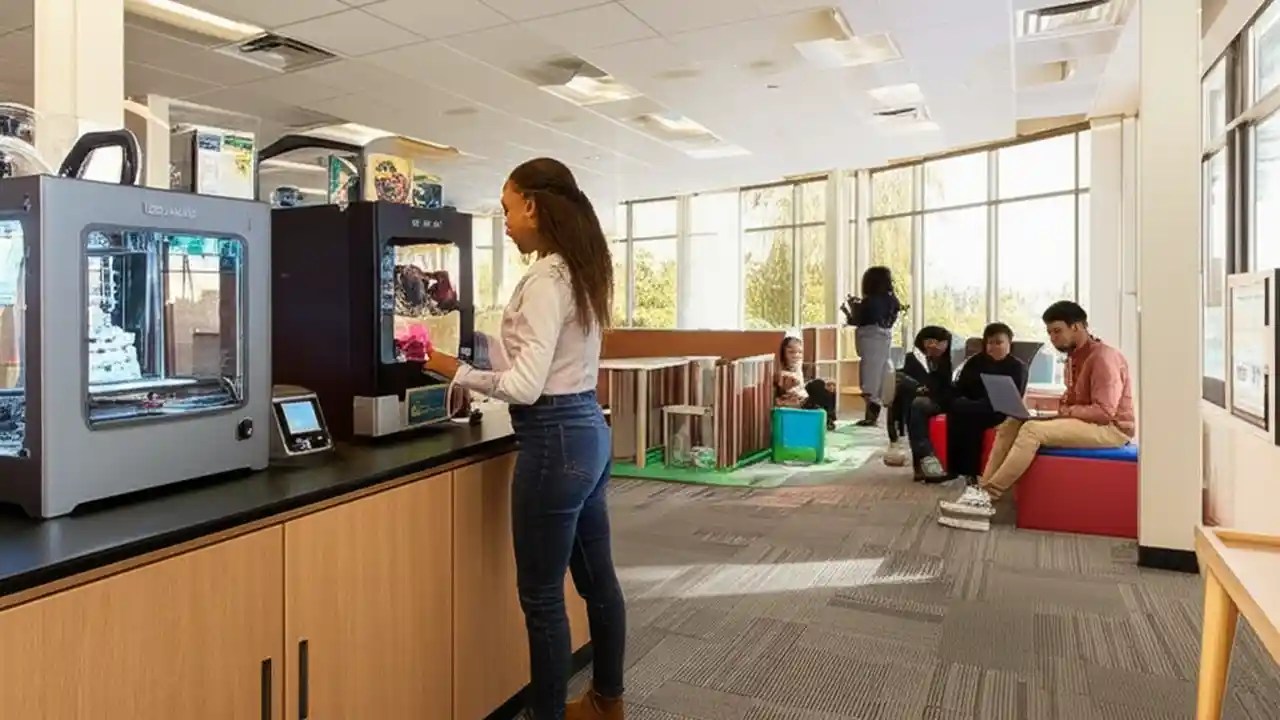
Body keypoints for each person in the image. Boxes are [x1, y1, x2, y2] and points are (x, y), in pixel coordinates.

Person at [423, 158, 626, 720]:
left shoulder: (542, 280)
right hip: (589, 432)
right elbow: (538, 358)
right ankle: (609, 702)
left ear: (534, 205)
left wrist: (451, 369)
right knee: (597, 583)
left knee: (541, 600)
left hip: (553, 444)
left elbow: (524, 385)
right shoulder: (577, 271)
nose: (505, 221)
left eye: (508, 208)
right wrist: (469, 339)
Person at [938, 301, 1134, 532]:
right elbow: (1073, 401)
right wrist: (1051, 411)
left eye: (1057, 331)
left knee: (1032, 431)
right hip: (1085, 422)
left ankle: (990, 494)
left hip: (1111, 430)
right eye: (1049, 332)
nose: (1052, 338)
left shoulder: (1103, 358)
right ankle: (982, 489)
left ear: (1078, 327)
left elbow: (1104, 412)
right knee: (1012, 422)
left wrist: (1063, 412)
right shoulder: (1073, 358)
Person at [947, 323, 1028, 484]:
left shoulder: (1017, 367)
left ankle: (972, 471)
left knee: (972, 418)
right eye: (990, 343)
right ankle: (956, 469)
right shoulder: (975, 362)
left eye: (998, 342)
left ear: (1009, 344)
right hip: (972, 403)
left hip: (999, 409)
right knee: (956, 412)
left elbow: (1015, 397)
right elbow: (960, 386)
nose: (993, 347)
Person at [884, 326, 952, 481]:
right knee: (906, 394)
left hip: (944, 399)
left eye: (937, 342)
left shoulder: (950, 359)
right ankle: (921, 460)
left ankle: (917, 455)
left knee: (912, 399)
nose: (931, 346)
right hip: (920, 398)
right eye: (928, 341)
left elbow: (945, 385)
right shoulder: (914, 359)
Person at [842, 266, 902, 427]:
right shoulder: (891, 300)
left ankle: (872, 409)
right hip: (884, 337)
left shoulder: (870, 302)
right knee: (878, 371)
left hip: (870, 337)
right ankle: (874, 409)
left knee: (869, 374)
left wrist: (852, 309)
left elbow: (857, 320)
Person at [775, 335, 838, 431]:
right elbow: (786, 390)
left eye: (799, 352)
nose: (796, 355)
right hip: (796, 403)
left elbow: (801, 387)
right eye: (791, 352)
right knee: (817, 385)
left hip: (804, 398)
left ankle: (828, 419)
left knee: (825, 385)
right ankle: (825, 419)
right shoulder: (782, 372)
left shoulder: (797, 367)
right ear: (783, 354)